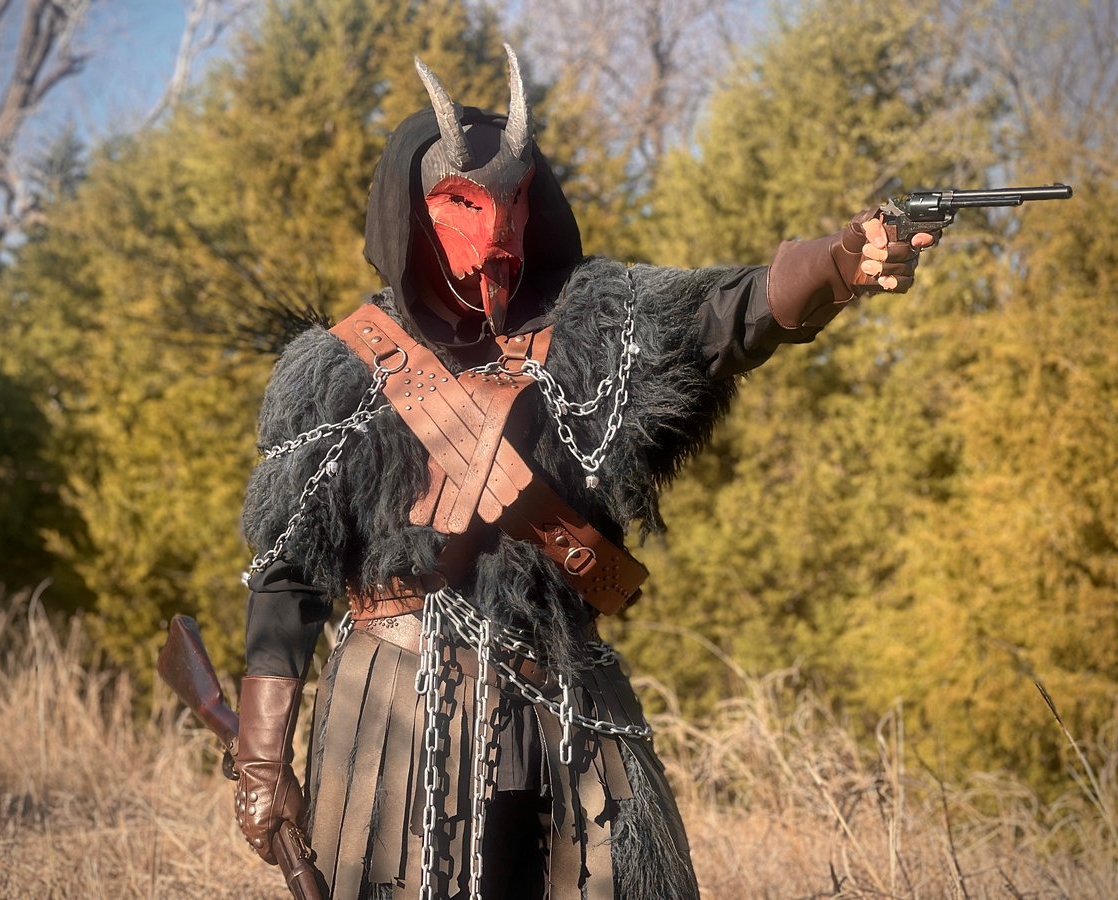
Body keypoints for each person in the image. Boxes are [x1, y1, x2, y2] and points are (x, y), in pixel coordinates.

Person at [232, 45, 937, 900]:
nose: (495, 231)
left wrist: (837, 263)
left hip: (570, 701)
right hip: (393, 713)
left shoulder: (599, 325)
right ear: (411, 213)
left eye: (515, 200)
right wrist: (262, 759)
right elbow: (289, 576)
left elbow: (724, 314)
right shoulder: (337, 370)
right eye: (462, 203)